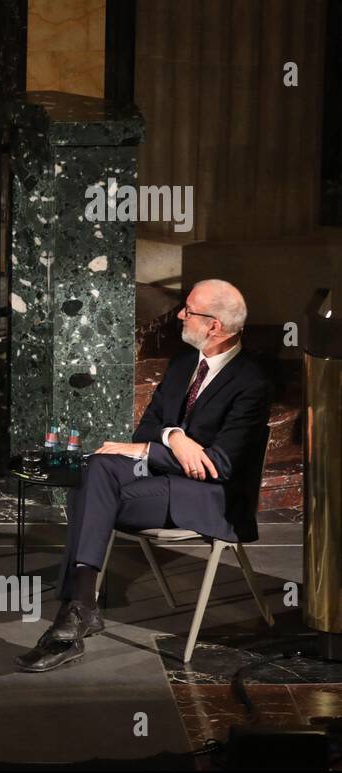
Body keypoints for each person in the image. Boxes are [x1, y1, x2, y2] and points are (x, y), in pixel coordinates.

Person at [16, 279, 271, 672]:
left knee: (92, 496)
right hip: (162, 478)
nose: (180, 315)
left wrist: (155, 450)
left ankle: (76, 613)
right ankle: (81, 607)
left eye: (189, 310)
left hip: (211, 498)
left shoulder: (251, 382)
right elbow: (145, 431)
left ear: (215, 326)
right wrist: (175, 437)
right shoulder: (184, 364)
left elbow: (219, 465)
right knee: (96, 466)